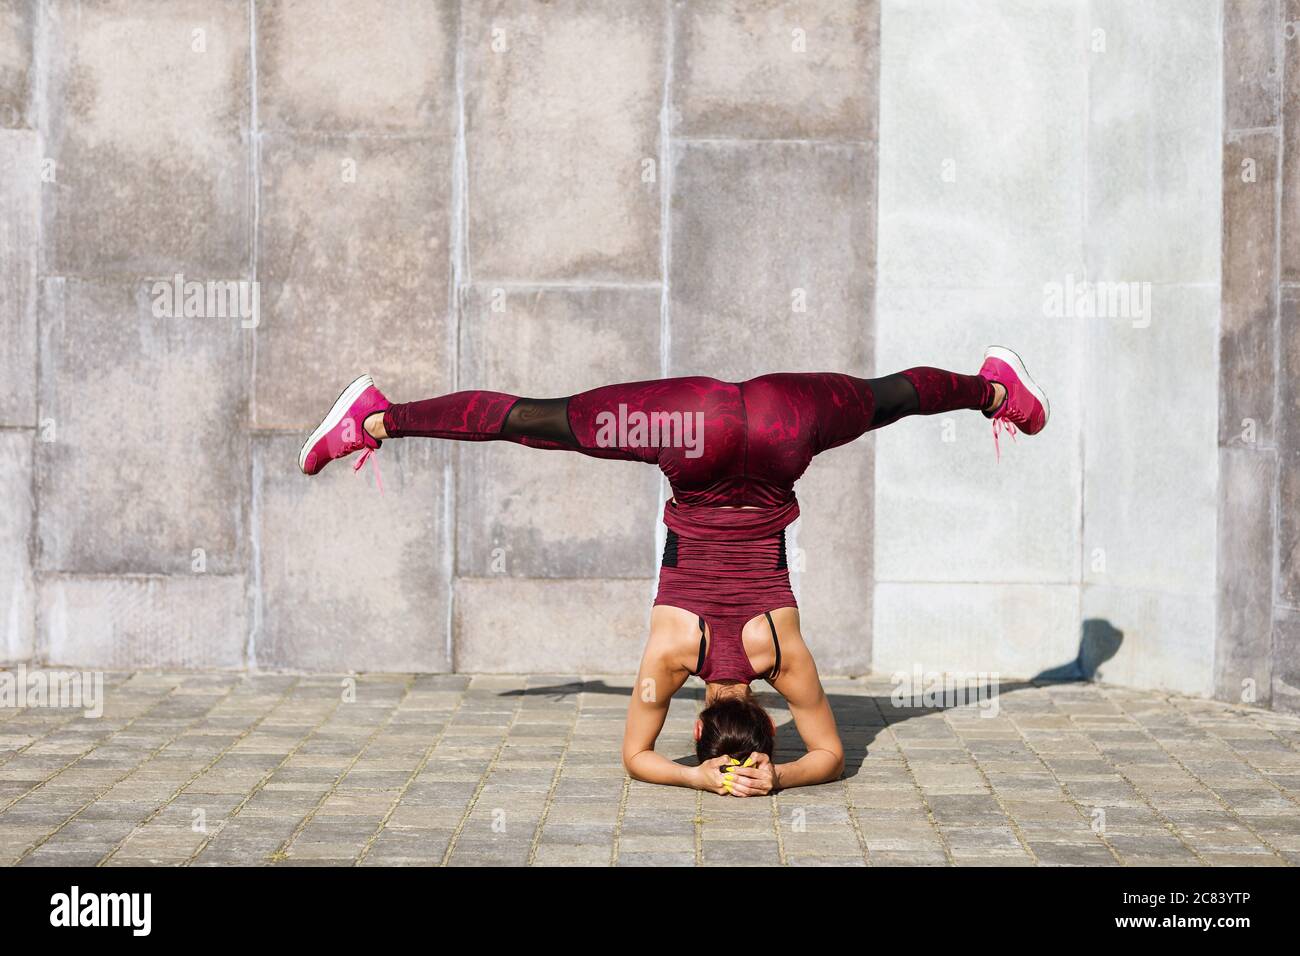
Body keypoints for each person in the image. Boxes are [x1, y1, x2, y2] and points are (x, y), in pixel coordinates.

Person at [299, 348, 1049, 797]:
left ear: (765, 719)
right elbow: (635, 757)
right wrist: (696, 777)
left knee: (891, 400)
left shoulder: (783, 663)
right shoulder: (669, 660)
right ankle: (375, 418)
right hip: (685, 432)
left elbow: (829, 755)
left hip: (785, 427)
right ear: (694, 723)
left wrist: (778, 773)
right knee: (533, 421)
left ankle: (992, 389)